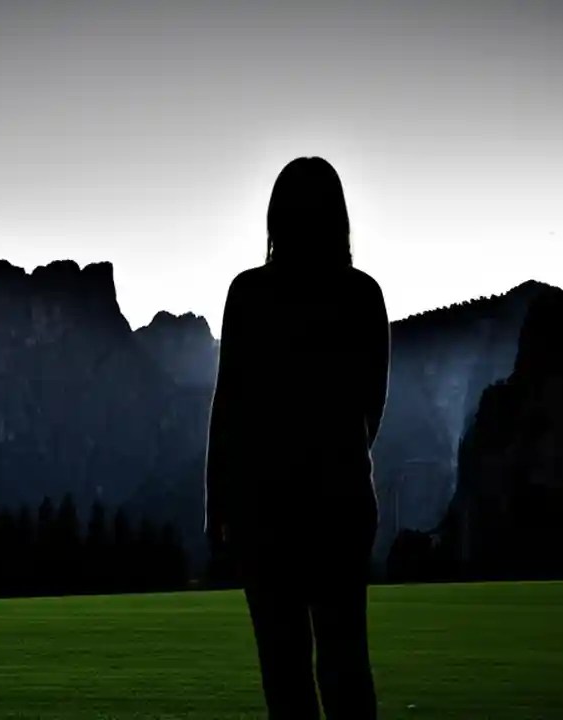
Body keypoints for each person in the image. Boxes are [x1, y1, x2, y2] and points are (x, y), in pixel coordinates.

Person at [204, 156, 390, 720]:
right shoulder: (361, 295)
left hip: (265, 511)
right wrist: (338, 455)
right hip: (341, 502)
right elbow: (371, 408)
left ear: (274, 219)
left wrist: (218, 511)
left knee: (284, 672)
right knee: (345, 662)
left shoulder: (250, 294)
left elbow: (227, 408)